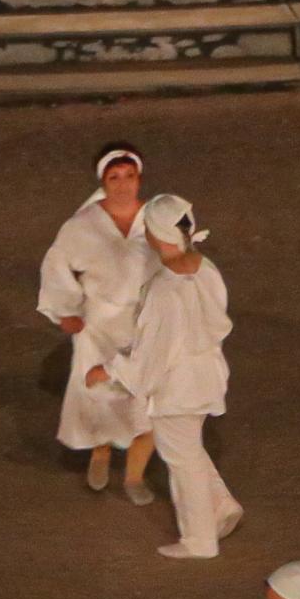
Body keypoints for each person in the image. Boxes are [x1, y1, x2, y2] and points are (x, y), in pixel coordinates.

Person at [86, 194, 241, 560]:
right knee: (188, 445)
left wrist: (108, 368)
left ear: (156, 235)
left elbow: (151, 359)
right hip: (207, 375)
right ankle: (221, 505)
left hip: (178, 387)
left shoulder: (163, 290)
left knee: (181, 459)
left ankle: (199, 540)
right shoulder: (207, 268)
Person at [37, 143, 158, 504]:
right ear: (103, 180)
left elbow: (178, 264)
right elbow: (57, 267)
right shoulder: (82, 226)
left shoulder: (157, 219)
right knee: (100, 396)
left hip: (147, 325)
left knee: (147, 401)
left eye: (129, 176)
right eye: (114, 177)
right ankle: (100, 452)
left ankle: (134, 477)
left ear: (139, 178)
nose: (122, 184)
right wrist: (66, 310)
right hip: (99, 326)